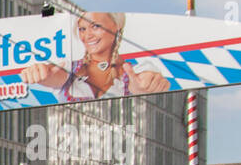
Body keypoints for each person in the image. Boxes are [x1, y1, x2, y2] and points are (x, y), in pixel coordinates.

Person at [20, 11, 170, 99]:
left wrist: (145, 88)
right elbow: (55, 76)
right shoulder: (69, 68)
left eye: (95, 26)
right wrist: (42, 75)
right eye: (82, 29)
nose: (88, 36)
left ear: (116, 26)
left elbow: (141, 84)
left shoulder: (135, 72)